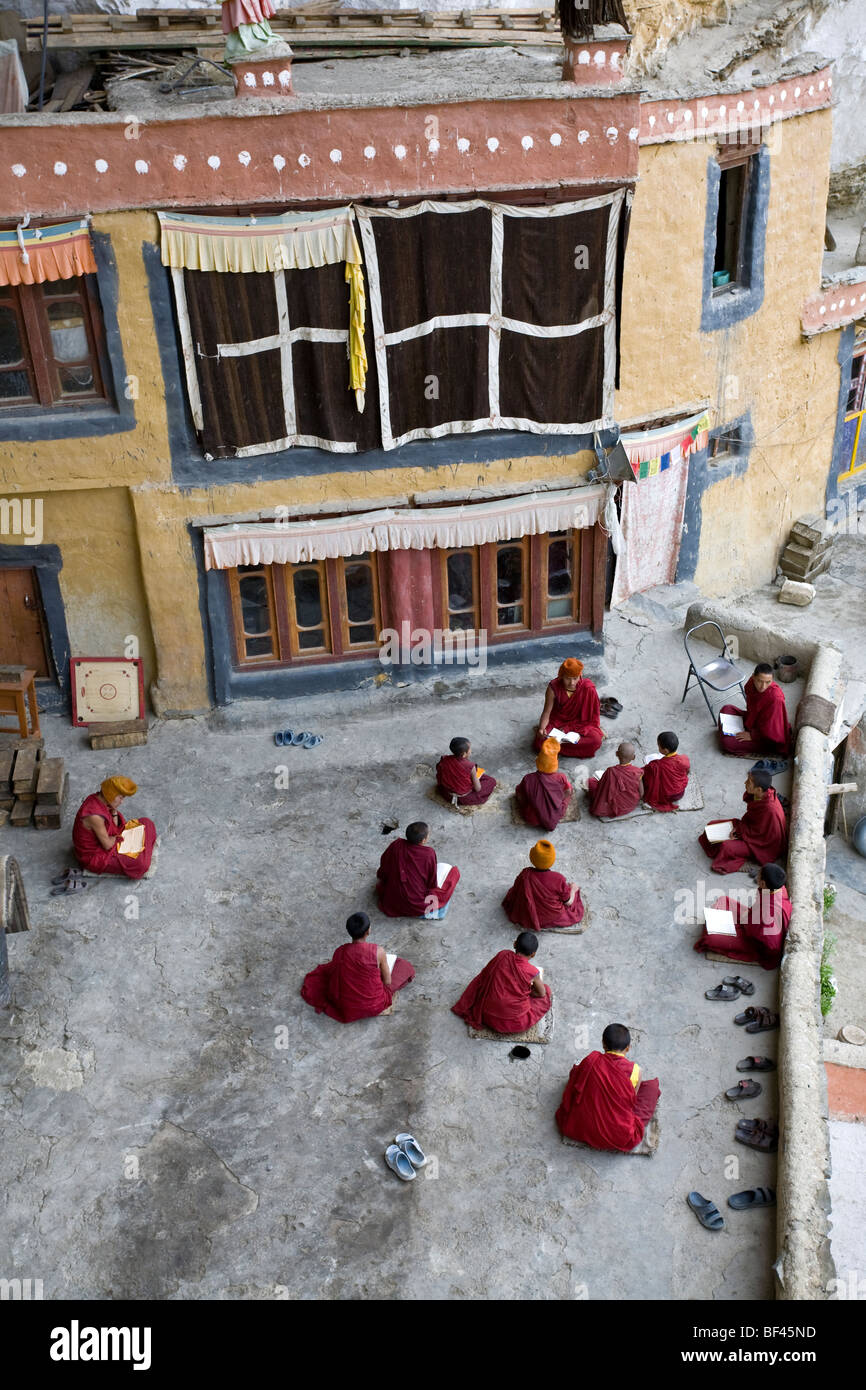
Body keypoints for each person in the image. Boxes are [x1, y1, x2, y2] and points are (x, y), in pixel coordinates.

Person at [555, 1023, 660, 1153]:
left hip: (580, 1127)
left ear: (603, 1044)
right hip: (617, 1136)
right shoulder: (636, 1071)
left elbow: (576, 1079)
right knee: (651, 1088)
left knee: (577, 1071)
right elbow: (631, 1101)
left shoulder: (591, 1060)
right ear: (628, 1048)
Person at [301, 912, 415, 1023]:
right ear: (368, 931)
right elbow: (387, 981)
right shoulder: (378, 952)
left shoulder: (340, 952)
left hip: (346, 1006)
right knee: (404, 966)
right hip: (375, 1004)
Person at [693, 864, 792, 969]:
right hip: (753, 920)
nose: (756, 876)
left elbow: (771, 943)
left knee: (710, 938)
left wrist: (745, 924)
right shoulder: (778, 888)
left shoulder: (771, 910)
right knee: (724, 900)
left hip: (755, 943)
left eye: (758, 875)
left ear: (763, 883)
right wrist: (748, 918)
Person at [451, 932, 551, 1034]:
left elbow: (485, 976)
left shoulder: (503, 955)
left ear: (515, 944)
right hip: (512, 1023)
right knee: (546, 990)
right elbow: (541, 993)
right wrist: (529, 992)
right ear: (533, 954)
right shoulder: (533, 972)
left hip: (486, 1014)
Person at [698, 770, 788, 875]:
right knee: (711, 825)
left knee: (726, 847)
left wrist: (738, 834)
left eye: (749, 782)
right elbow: (752, 821)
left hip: (761, 845)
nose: (745, 783)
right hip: (749, 829)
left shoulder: (770, 810)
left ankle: (745, 864)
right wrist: (738, 830)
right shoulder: (761, 794)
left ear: (758, 789)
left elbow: (762, 836)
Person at [70, 776, 157, 881]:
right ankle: (142, 850)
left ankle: (141, 850)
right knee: (141, 865)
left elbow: (114, 828)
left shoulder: (99, 798)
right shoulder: (95, 816)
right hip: (95, 856)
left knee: (146, 822)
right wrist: (119, 838)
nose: (122, 802)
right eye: (120, 797)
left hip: (108, 840)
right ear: (111, 794)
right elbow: (107, 845)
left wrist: (114, 812)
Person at [377, 821, 460, 919]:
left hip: (392, 899)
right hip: (415, 904)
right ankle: (431, 913)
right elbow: (431, 884)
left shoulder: (396, 844)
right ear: (424, 840)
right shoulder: (429, 853)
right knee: (452, 872)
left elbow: (384, 866)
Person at [502, 839, 584, 931]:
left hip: (526, 914)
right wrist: (573, 889)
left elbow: (517, 891)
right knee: (573, 898)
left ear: (532, 857)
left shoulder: (525, 874)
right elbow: (568, 902)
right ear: (552, 860)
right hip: (549, 916)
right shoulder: (558, 879)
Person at [718, 663, 793, 759]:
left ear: (772, 680)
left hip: (766, 737)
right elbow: (752, 710)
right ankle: (733, 732)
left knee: (727, 743)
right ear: (753, 677)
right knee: (726, 709)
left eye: (768, 682)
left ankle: (737, 738)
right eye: (759, 681)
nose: (763, 686)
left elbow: (772, 729)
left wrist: (752, 736)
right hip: (753, 721)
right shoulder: (751, 684)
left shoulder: (775, 698)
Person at [534, 658, 603, 759]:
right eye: (568, 678)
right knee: (539, 743)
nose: (572, 683)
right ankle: (560, 746)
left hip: (579, 723)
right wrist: (541, 728)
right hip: (558, 722)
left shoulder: (588, 688)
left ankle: (555, 748)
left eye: (575, 678)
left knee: (595, 740)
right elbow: (546, 712)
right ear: (561, 676)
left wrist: (571, 730)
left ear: (580, 676)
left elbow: (592, 718)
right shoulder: (553, 687)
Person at [514, 738, 573, 831]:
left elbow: (520, 796)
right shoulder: (561, 777)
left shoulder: (528, 778)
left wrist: (527, 803)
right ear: (555, 764)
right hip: (556, 814)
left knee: (519, 789)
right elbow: (568, 792)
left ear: (538, 762)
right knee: (570, 788)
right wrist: (557, 800)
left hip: (532, 818)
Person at [586, 742, 643, 819]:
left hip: (614, 805)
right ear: (634, 757)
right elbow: (641, 793)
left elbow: (602, 788)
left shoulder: (610, 771)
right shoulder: (638, 772)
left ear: (616, 754)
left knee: (591, 782)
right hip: (631, 804)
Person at [436, 737, 497, 806]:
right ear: (464, 754)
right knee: (491, 781)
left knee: (482, 777)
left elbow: (439, 774)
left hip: (445, 793)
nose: (471, 750)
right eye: (470, 749)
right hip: (462, 798)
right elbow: (478, 788)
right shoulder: (470, 766)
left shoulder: (444, 759)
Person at [641, 731, 690, 812]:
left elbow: (643, 772)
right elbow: (686, 771)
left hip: (668, 796)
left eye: (659, 746)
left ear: (666, 751)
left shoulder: (657, 765)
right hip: (681, 792)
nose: (658, 748)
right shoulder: (684, 758)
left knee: (645, 777)